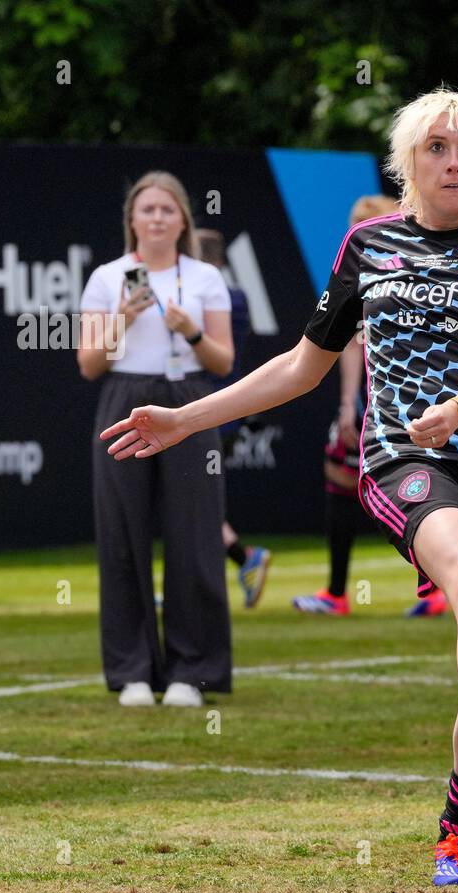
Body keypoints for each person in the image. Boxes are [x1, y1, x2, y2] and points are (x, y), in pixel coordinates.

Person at [98, 89, 458, 883]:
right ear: (408, 162)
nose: (453, 160)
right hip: (406, 455)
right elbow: (302, 366)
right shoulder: (369, 246)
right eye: (437, 147)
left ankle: (454, 836)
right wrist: (190, 417)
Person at [78, 170, 234, 709]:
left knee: (194, 534)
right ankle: (133, 671)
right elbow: (89, 364)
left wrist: (190, 330)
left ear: (183, 219)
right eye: (148, 210)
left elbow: (224, 360)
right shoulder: (107, 278)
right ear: (133, 221)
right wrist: (121, 319)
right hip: (125, 399)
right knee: (123, 533)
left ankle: (195, 672)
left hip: (189, 402)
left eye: (168, 210)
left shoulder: (205, 277)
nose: (158, 218)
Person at [290, 194, 451, 619]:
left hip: (418, 399)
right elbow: (345, 343)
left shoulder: (410, 266)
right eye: (355, 225)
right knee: (343, 478)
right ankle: (340, 592)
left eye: (366, 223)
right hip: (374, 398)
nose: (360, 234)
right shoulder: (359, 267)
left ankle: (436, 588)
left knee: (431, 484)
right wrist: (347, 405)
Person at [196, 227, 272, 610]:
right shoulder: (235, 296)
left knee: (194, 502)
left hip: (208, 414)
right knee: (194, 500)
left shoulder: (217, 300)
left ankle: (243, 559)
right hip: (218, 414)